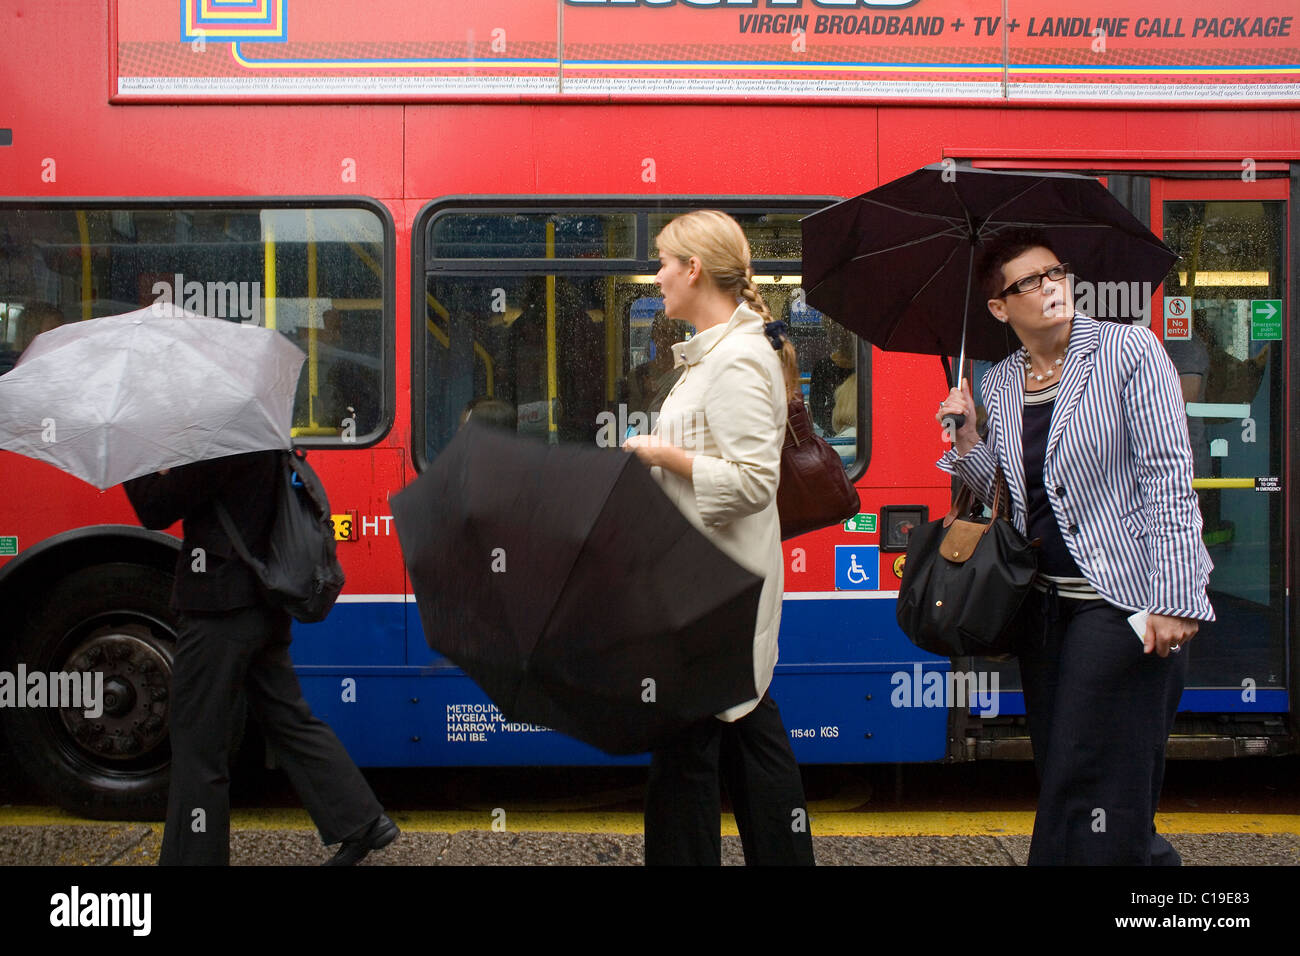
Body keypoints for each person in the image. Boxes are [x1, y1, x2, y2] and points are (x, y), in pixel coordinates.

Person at [935, 228, 1213, 865]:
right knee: (1068, 770)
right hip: (1045, 609)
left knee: (1092, 777)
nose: (1050, 288)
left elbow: (1168, 477)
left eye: (1055, 273)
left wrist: (1174, 597)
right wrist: (968, 439)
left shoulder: (1128, 352)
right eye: (1028, 282)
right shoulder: (1001, 381)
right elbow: (1014, 497)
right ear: (1000, 308)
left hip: (1122, 605)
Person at [622, 210, 814, 866]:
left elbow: (753, 483)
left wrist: (657, 455)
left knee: (682, 766)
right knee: (746, 739)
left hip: (711, 596)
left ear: (694, 269)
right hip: (708, 588)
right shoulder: (721, 350)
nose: (657, 277)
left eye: (663, 262)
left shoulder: (735, 358)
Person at [123, 452, 399, 866]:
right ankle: (362, 820)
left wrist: (138, 463)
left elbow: (155, 508)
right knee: (288, 717)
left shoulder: (217, 436)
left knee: (199, 746)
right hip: (264, 603)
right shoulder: (258, 430)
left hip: (219, 609)